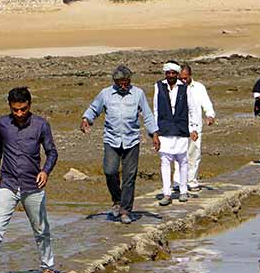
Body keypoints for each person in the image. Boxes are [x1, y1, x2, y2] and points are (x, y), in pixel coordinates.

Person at [0, 87, 58, 273]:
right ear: (10, 107)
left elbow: (52, 152)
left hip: (33, 184)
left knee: (41, 228)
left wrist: (46, 171)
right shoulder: (3, 124)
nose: (20, 114)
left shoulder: (41, 124)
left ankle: (47, 268)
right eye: (15, 110)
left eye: (23, 109)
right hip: (8, 183)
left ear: (29, 106)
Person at [81, 65, 159, 224]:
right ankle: (117, 200)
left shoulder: (138, 93)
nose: (123, 86)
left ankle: (125, 210)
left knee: (129, 177)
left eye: (126, 83)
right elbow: (94, 109)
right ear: (114, 82)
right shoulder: (105, 94)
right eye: (120, 83)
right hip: (112, 139)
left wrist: (154, 134)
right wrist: (86, 120)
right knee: (109, 171)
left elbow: (147, 114)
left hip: (132, 140)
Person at [153, 62, 200, 205]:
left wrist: (193, 128)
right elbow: (156, 109)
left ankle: (183, 191)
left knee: (182, 160)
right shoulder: (158, 86)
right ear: (165, 74)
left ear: (177, 74)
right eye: (169, 73)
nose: (171, 76)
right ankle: (167, 193)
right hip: (164, 128)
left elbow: (192, 109)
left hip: (181, 128)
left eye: (174, 73)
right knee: (165, 161)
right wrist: (155, 131)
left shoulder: (184, 88)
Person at [179, 63, 216, 191]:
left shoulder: (199, 87)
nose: (183, 80)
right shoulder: (175, 88)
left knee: (194, 154)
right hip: (179, 127)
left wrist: (210, 115)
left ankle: (192, 180)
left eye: (186, 78)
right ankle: (178, 182)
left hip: (195, 127)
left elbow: (206, 103)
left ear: (190, 76)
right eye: (181, 78)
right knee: (178, 155)